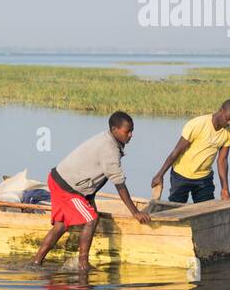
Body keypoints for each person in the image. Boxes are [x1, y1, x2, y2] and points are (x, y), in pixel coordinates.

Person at [32, 111, 152, 271]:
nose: (131, 135)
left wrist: (90, 198)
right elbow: (119, 184)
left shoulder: (110, 140)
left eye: (132, 131)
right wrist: (135, 212)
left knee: (61, 226)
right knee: (91, 219)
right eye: (127, 131)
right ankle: (83, 263)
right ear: (115, 129)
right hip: (68, 187)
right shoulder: (109, 148)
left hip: (63, 181)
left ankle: (36, 261)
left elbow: (98, 176)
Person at [151, 99, 230, 203]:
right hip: (181, 176)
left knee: (207, 212)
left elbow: (222, 160)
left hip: (204, 178)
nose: (229, 123)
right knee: (176, 210)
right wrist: (160, 174)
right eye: (227, 119)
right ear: (221, 110)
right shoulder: (198, 124)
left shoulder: (229, 131)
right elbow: (177, 151)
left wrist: (225, 188)